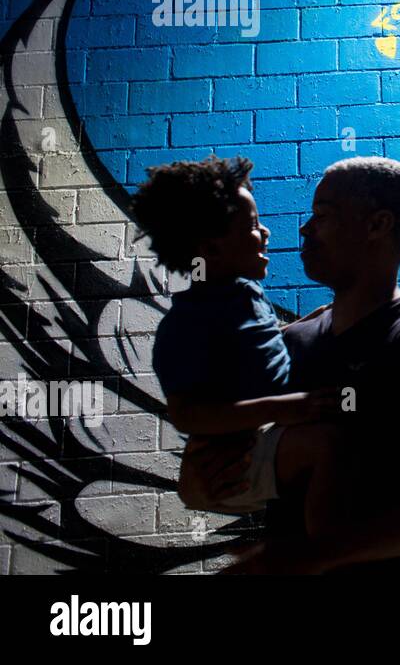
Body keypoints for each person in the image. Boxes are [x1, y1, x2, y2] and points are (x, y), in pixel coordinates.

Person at [177, 156, 400, 574]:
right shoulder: (293, 341)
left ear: (377, 225)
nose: (305, 228)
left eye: (322, 215)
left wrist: (311, 557)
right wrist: (200, 480)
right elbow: (204, 473)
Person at [132, 155, 348, 535]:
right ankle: (320, 558)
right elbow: (187, 415)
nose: (264, 232)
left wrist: (310, 322)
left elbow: (256, 355)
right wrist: (285, 407)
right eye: (251, 225)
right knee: (326, 444)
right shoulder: (188, 323)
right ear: (212, 249)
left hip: (267, 437)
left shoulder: (242, 294)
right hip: (232, 458)